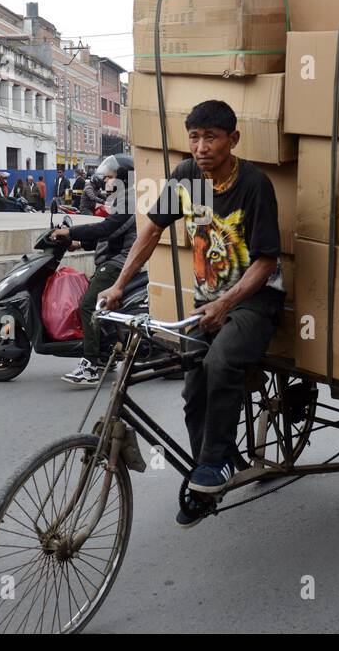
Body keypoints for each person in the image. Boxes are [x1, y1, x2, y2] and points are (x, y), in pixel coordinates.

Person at [98, 100, 285, 528]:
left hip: (254, 301)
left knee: (221, 362)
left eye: (211, 137)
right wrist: (119, 284)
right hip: (207, 304)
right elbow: (151, 231)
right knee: (193, 382)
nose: (201, 147)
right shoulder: (191, 180)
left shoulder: (253, 185)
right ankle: (209, 473)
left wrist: (227, 302)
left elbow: (266, 261)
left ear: (233, 140)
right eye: (195, 137)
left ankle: (214, 463)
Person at [52, 155, 137, 387]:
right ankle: (108, 354)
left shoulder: (129, 200)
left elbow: (108, 228)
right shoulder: (121, 199)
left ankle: (90, 365)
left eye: (110, 177)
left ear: (123, 178)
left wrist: (71, 233)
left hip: (118, 263)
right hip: (112, 259)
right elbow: (109, 235)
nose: (106, 181)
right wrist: (79, 244)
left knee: (89, 304)